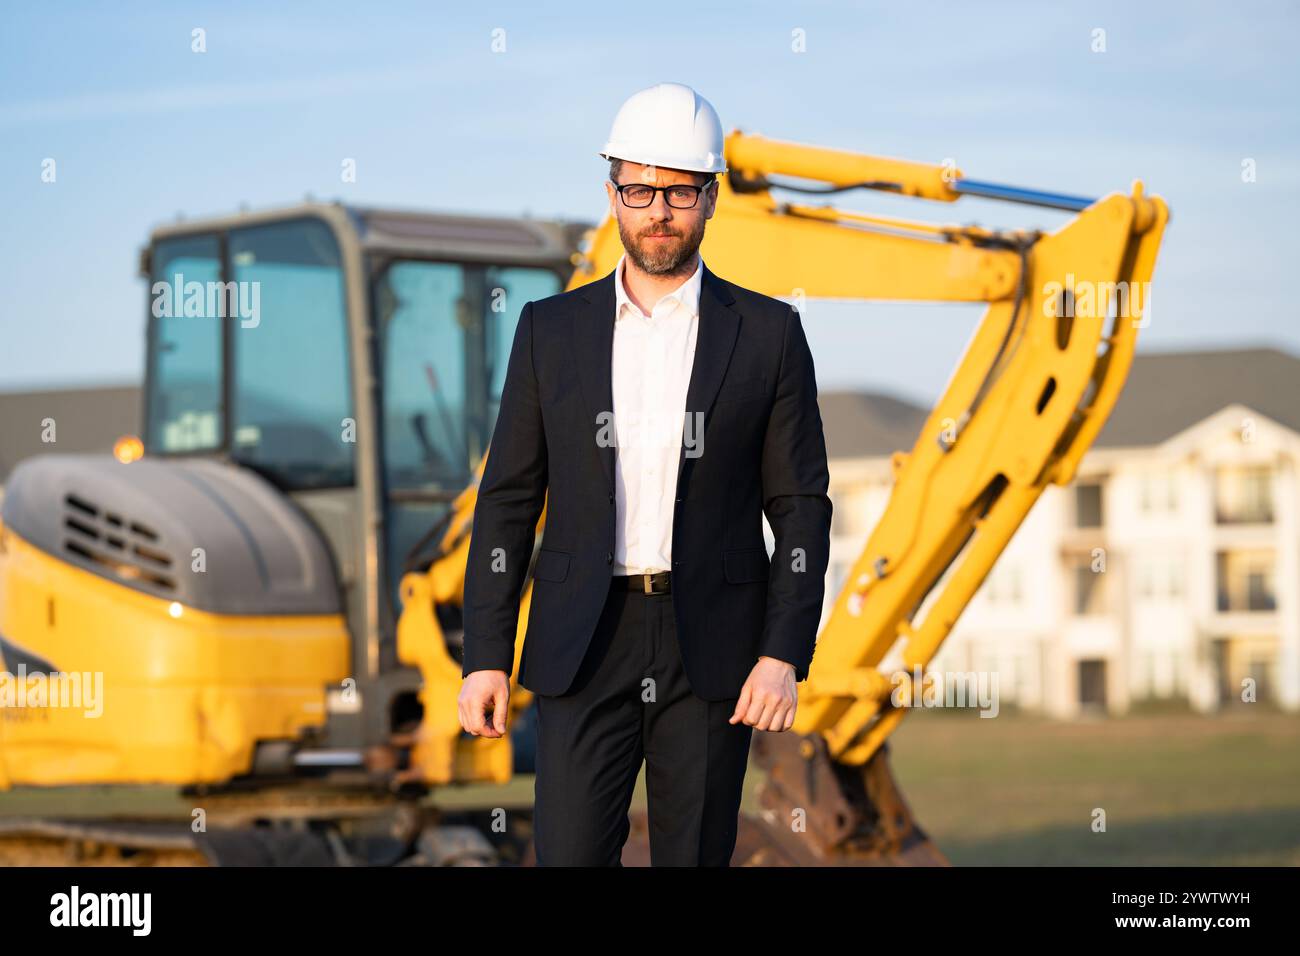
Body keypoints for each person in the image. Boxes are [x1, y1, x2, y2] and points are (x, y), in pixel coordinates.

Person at [457, 82, 831, 866]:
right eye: (639, 189)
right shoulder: (548, 331)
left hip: (714, 647)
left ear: (710, 199)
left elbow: (799, 507)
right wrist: (486, 652)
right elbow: (507, 502)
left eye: (679, 192)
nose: (658, 209)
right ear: (612, 196)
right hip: (582, 642)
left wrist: (783, 652)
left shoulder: (768, 334)